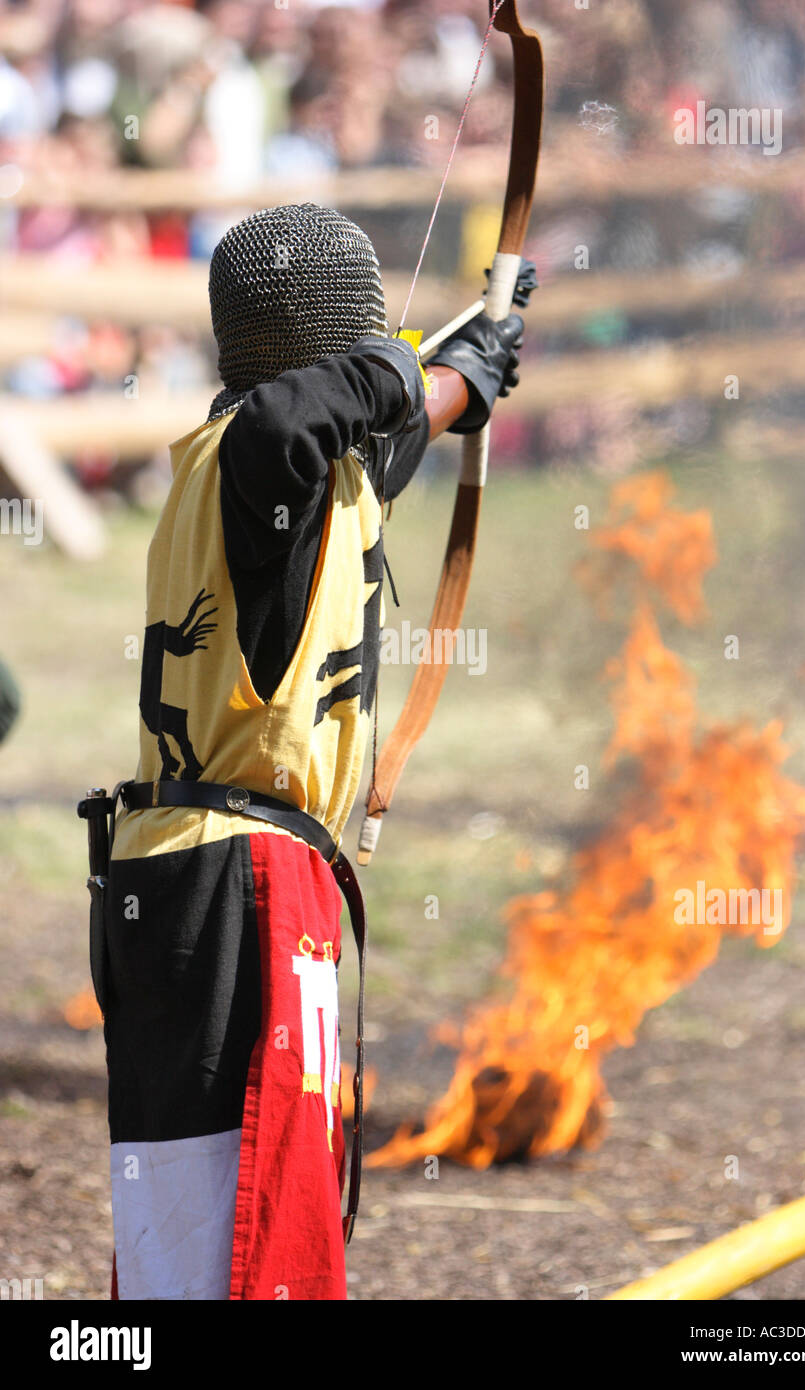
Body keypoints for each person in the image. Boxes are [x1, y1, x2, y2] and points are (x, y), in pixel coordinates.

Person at [95, 202, 528, 1301]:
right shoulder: (255, 454)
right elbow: (302, 417)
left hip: (193, 876)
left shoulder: (258, 483)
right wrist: (409, 363)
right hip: (228, 880)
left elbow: (357, 457)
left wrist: (458, 379)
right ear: (335, 333)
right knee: (235, 1221)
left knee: (202, 1207)